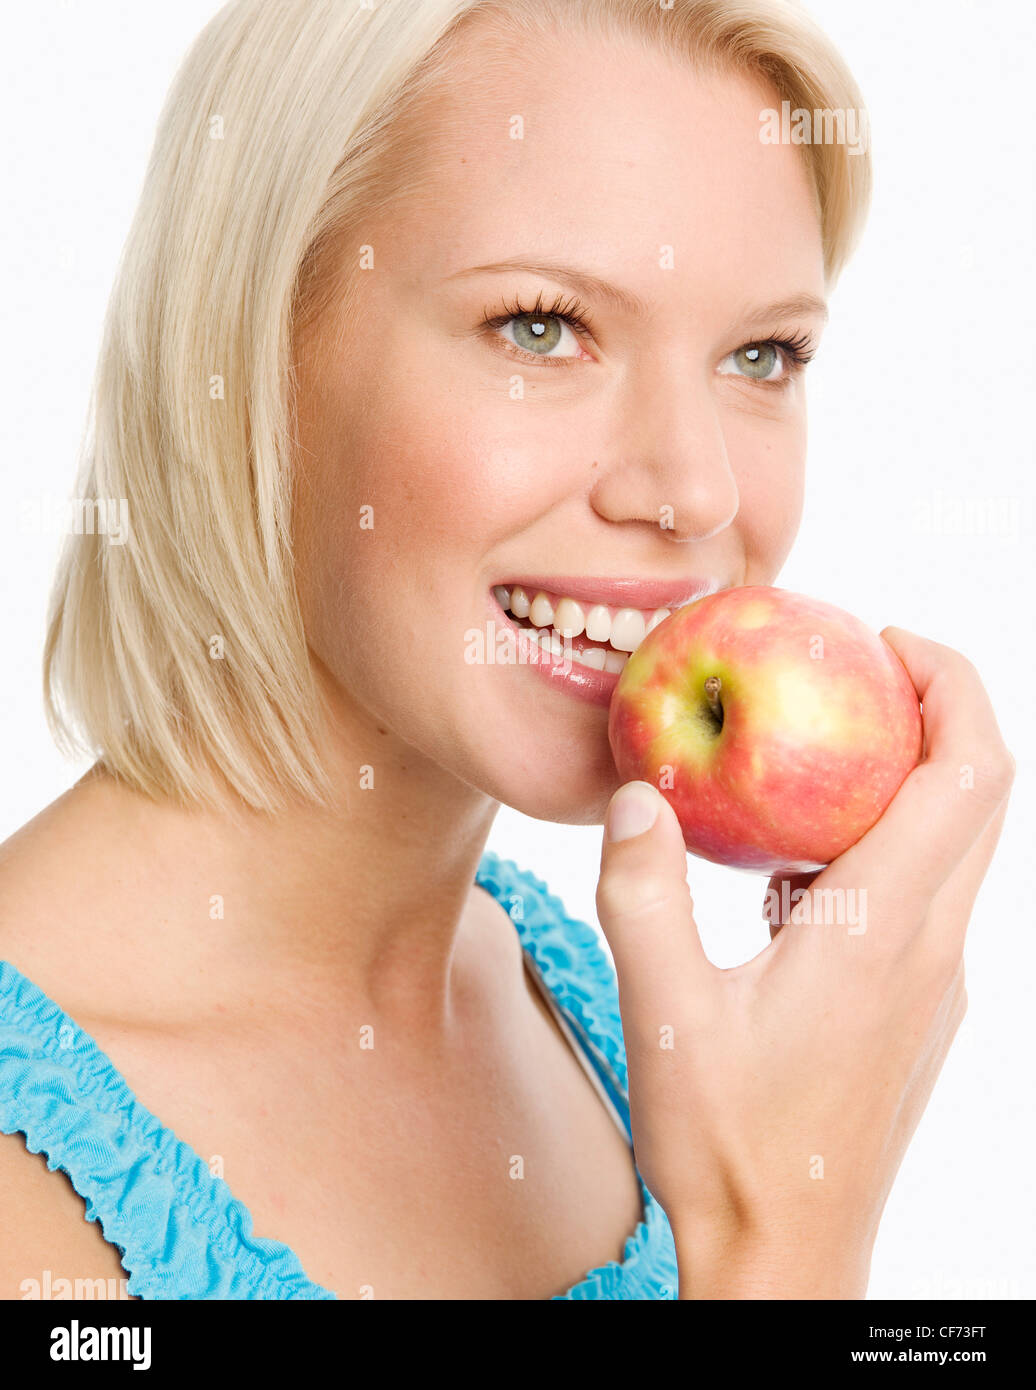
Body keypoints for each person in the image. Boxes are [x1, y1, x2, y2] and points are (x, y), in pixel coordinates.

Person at [0, 0, 1013, 1300]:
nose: (695, 491)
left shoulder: (589, 1012)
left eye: (762, 354)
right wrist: (785, 1243)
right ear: (252, 348)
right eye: (541, 326)